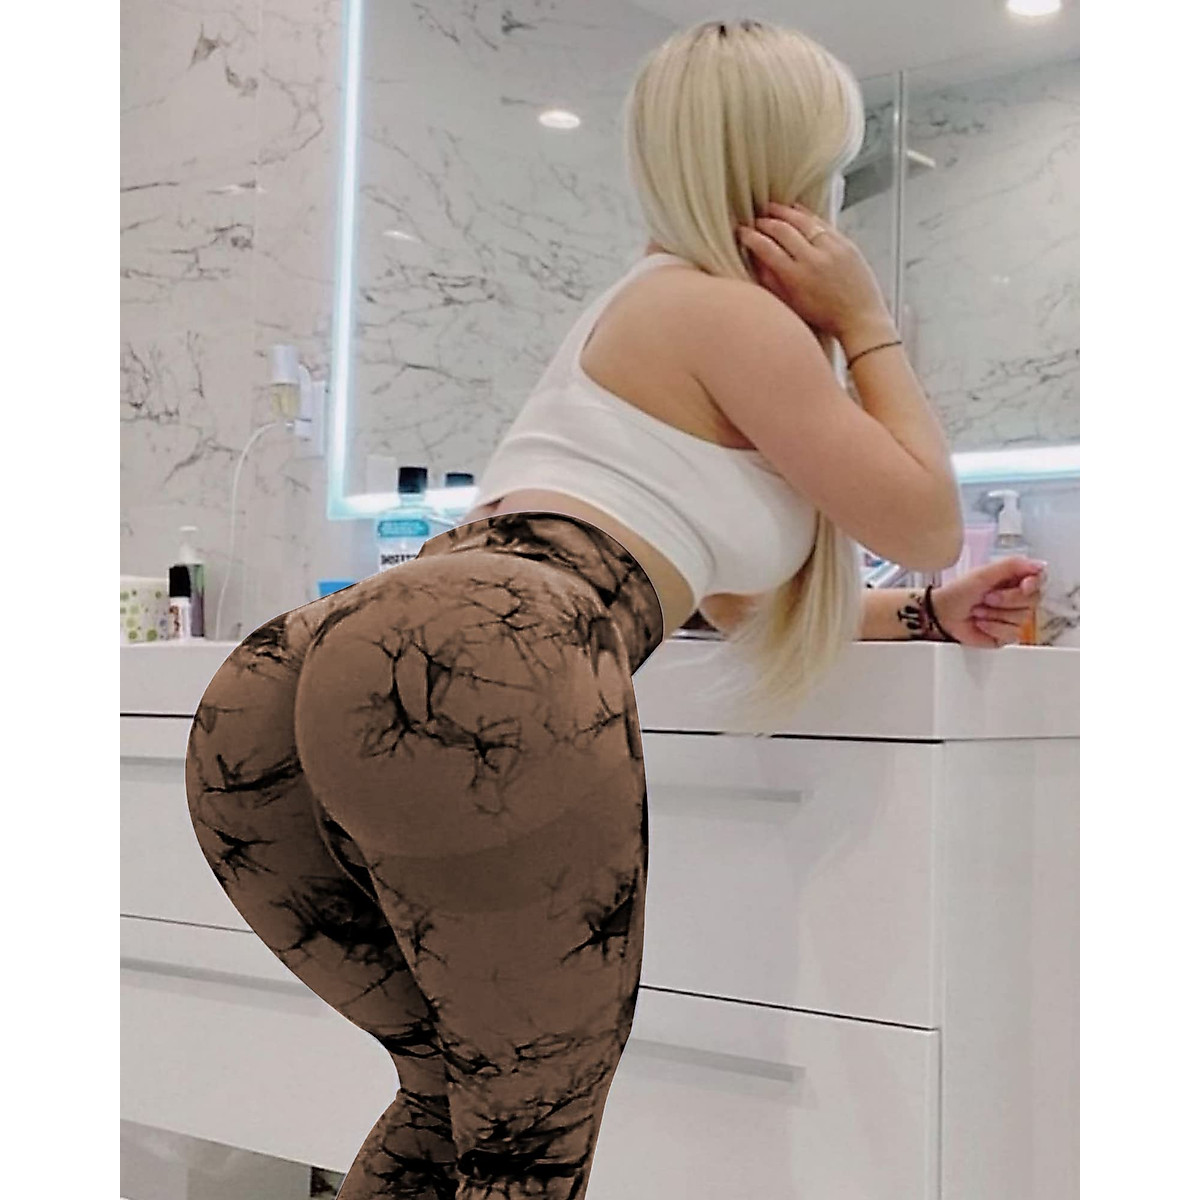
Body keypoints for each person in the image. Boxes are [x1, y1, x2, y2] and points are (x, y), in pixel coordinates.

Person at [184, 18, 1043, 1200]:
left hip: (303, 670)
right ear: (799, 169)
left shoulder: (638, 317)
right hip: (491, 653)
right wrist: (865, 320)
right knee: (525, 1144)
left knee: (451, 1095)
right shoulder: (734, 315)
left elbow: (718, 598)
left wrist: (929, 615)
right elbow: (925, 517)